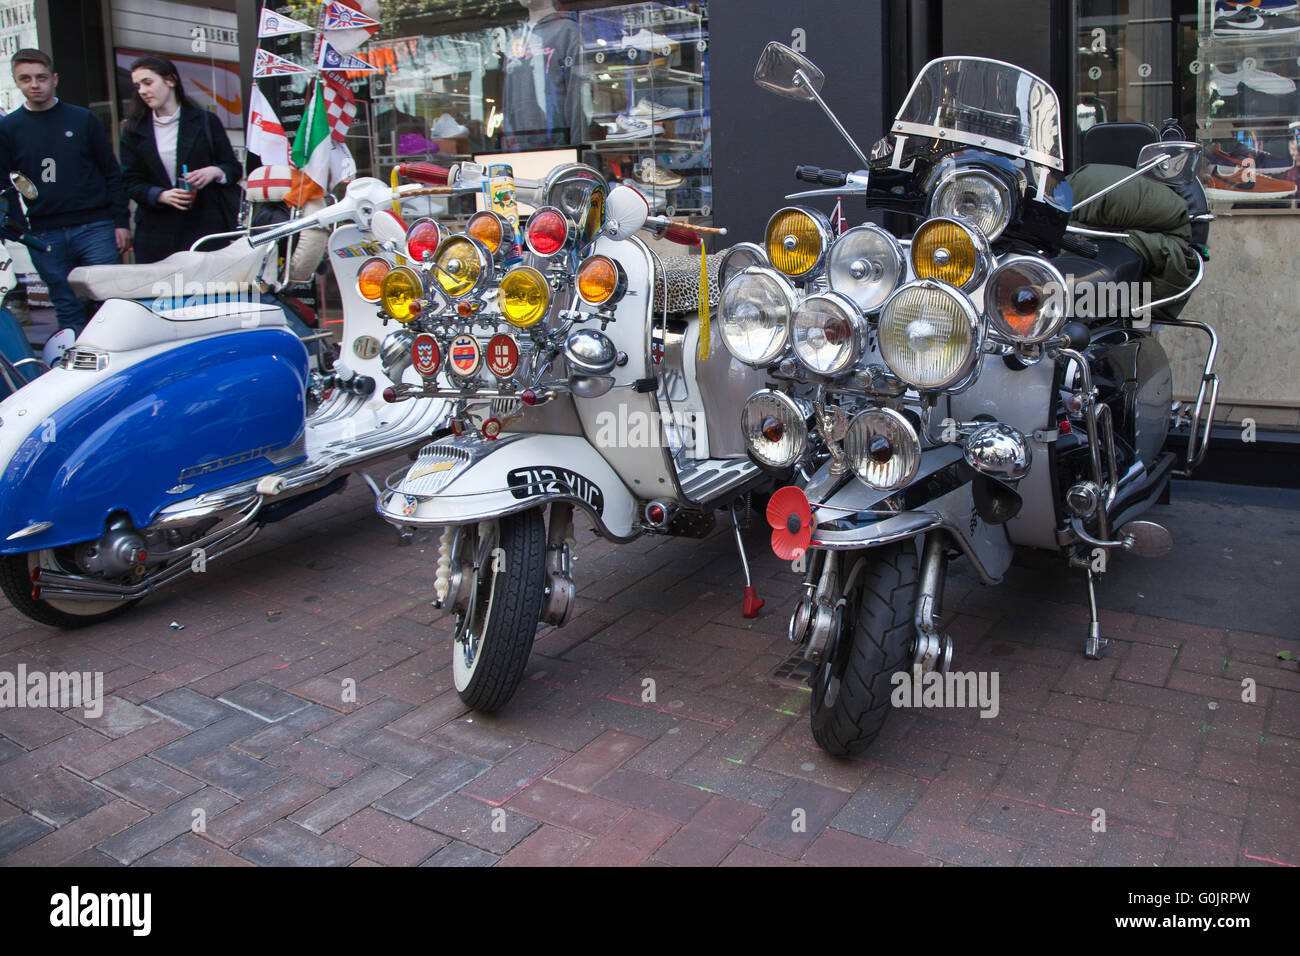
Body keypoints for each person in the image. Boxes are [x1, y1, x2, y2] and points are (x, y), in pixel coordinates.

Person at [0, 49, 130, 335]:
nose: (35, 84)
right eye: (26, 78)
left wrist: (121, 222)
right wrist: (19, 226)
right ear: (16, 82)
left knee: (109, 302)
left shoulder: (82, 119)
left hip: (96, 226)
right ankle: (77, 367)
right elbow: (5, 183)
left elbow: (111, 171)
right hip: (45, 232)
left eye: (41, 77)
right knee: (66, 305)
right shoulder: (8, 128)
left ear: (54, 79)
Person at [118, 55, 241, 264]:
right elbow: (130, 181)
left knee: (208, 291)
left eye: (148, 83)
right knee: (161, 292)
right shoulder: (133, 129)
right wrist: (160, 195)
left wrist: (214, 172)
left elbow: (233, 168)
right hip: (156, 232)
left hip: (205, 227)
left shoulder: (205, 121)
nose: (142, 91)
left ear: (171, 80)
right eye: (138, 86)